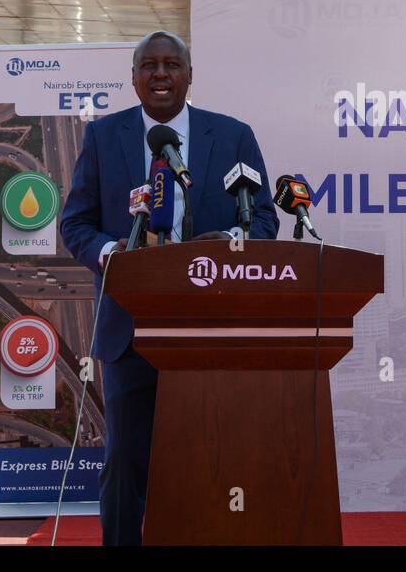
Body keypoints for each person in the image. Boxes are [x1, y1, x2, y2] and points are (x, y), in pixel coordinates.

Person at [60, 30, 279, 546]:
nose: (160, 74)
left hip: (214, 327)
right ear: (134, 78)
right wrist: (116, 256)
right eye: (149, 66)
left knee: (215, 459)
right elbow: (76, 225)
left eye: (171, 65)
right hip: (129, 328)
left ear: (189, 75)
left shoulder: (232, 137)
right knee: (125, 461)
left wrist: (228, 240)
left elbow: (264, 218)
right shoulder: (102, 137)